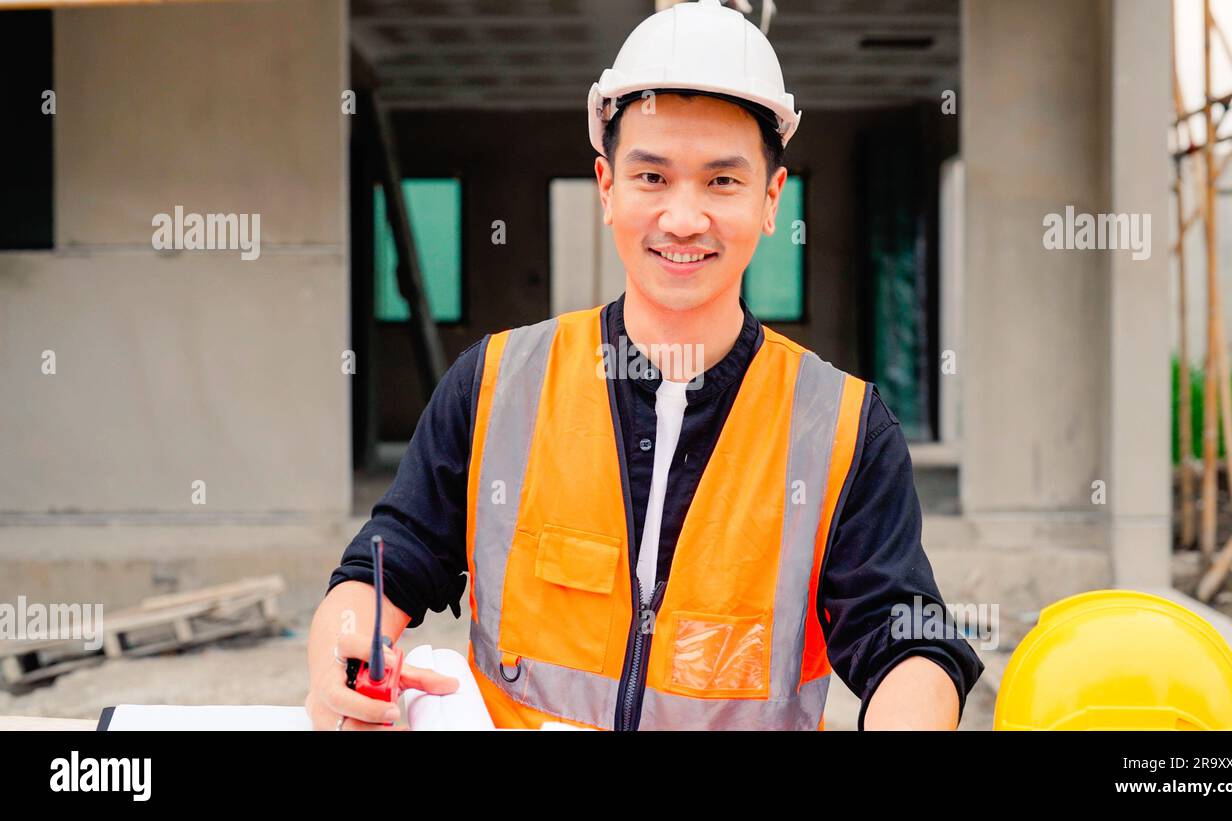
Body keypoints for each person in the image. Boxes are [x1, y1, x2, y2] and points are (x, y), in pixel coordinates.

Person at [306, 0, 982, 731]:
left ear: (770, 198)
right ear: (607, 186)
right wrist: (348, 648)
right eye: (652, 177)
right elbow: (387, 562)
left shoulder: (841, 426)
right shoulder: (496, 383)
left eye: (722, 181)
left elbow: (906, 640)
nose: (684, 218)